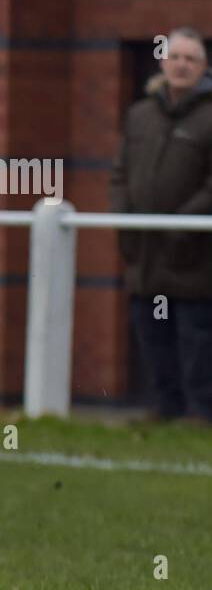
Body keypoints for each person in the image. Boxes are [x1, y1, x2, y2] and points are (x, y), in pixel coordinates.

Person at [109, 26, 212, 423]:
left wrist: (180, 224)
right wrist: (124, 219)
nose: (181, 65)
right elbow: (120, 173)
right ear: (162, 61)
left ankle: (201, 414)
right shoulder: (139, 115)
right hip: (146, 259)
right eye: (175, 57)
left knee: (196, 338)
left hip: (193, 258)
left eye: (191, 58)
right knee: (153, 333)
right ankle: (164, 408)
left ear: (203, 66)